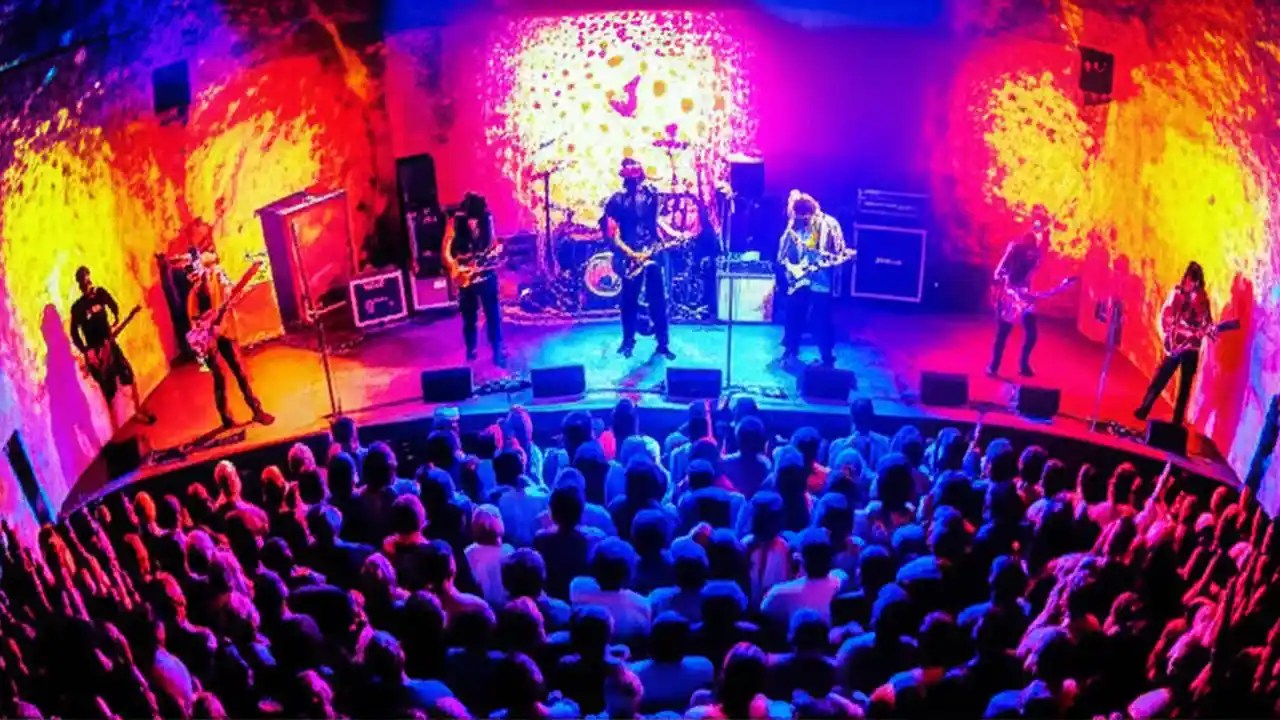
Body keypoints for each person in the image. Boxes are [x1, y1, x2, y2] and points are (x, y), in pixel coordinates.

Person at [185, 252, 273, 428]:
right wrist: (205, 328)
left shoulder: (219, 280)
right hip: (208, 340)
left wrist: (235, 292)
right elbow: (193, 318)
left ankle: (257, 411)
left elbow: (232, 294)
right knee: (220, 377)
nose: (211, 271)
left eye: (211, 267)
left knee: (240, 372)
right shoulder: (194, 293)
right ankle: (226, 419)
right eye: (207, 267)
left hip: (224, 333)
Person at [601, 157, 675, 360]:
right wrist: (630, 253)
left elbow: (654, 224)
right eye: (630, 178)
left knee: (657, 298)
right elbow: (613, 232)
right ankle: (628, 341)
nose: (634, 183)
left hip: (649, 252)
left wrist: (664, 241)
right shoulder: (616, 200)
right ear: (624, 179)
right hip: (629, 256)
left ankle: (663, 342)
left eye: (637, 177)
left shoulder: (651, 196)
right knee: (628, 301)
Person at [69, 266, 156, 427]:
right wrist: (87, 351)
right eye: (83, 282)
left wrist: (116, 317)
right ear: (79, 285)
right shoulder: (78, 308)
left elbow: (113, 304)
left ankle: (139, 409)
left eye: (87, 279)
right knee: (107, 390)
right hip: (97, 353)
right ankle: (114, 425)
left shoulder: (100, 294)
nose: (87, 284)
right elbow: (74, 333)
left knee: (128, 375)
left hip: (110, 344)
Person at [1135, 261, 1214, 425]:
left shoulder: (1203, 300)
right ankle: (1144, 408)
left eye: (1196, 281)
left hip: (1191, 348)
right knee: (1161, 377)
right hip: (1175, 344)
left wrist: (1206, 330)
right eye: (1190, 280)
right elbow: (1166, 313)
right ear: (1186, 278)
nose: (1192, 284)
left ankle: (1176, 422)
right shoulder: (1177, 292)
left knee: (1185, 386)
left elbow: (1208, 323)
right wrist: (1170, 331)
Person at [777, 190, 847, 367]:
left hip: (821, 280)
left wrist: (823, 265)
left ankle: (827, 356)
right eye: (799, 218)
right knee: (793, 313)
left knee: (821, 318)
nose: (803, 223)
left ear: (813, 213)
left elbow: (840, 254)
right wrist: (792, 268)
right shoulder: (795, 226)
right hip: (800, 280)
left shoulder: (830, 225)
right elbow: (782, 255)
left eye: (805, 219)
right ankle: (790, 348)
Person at [444, 192, 506, 366]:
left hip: (485, 272)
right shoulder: (454, 222)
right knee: (469, 317)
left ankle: (497, 350)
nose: (473, 223)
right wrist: (455, 267)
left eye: (476, 219)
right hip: (465, 275)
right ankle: (471, 350)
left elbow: (493, 244)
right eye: (470, 219)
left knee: (493, 314)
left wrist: (493, 253)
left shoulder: (487, 219)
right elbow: (445, 252)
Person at [988, 204, 1049, 378]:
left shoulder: (1034, 252)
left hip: (1024, 297)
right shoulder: (1016, 249)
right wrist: (1002, 286)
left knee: (1029, 333)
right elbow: (999, 271)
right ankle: (994, 366)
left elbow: (1042, 242)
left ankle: (1021, 365)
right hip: (1010, 296)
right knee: (1004, 333)